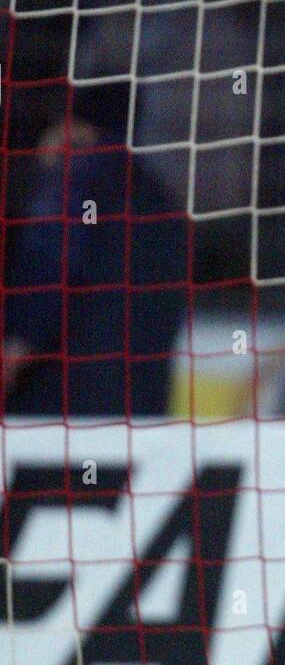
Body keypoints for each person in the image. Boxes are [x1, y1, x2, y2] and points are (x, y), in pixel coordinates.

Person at [3, 82, 188, 417]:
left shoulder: (77, 180)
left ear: (71, 122)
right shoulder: (165, 203)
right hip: (138, 413)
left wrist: (15, 347)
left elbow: (48, 271)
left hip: (60, 407)